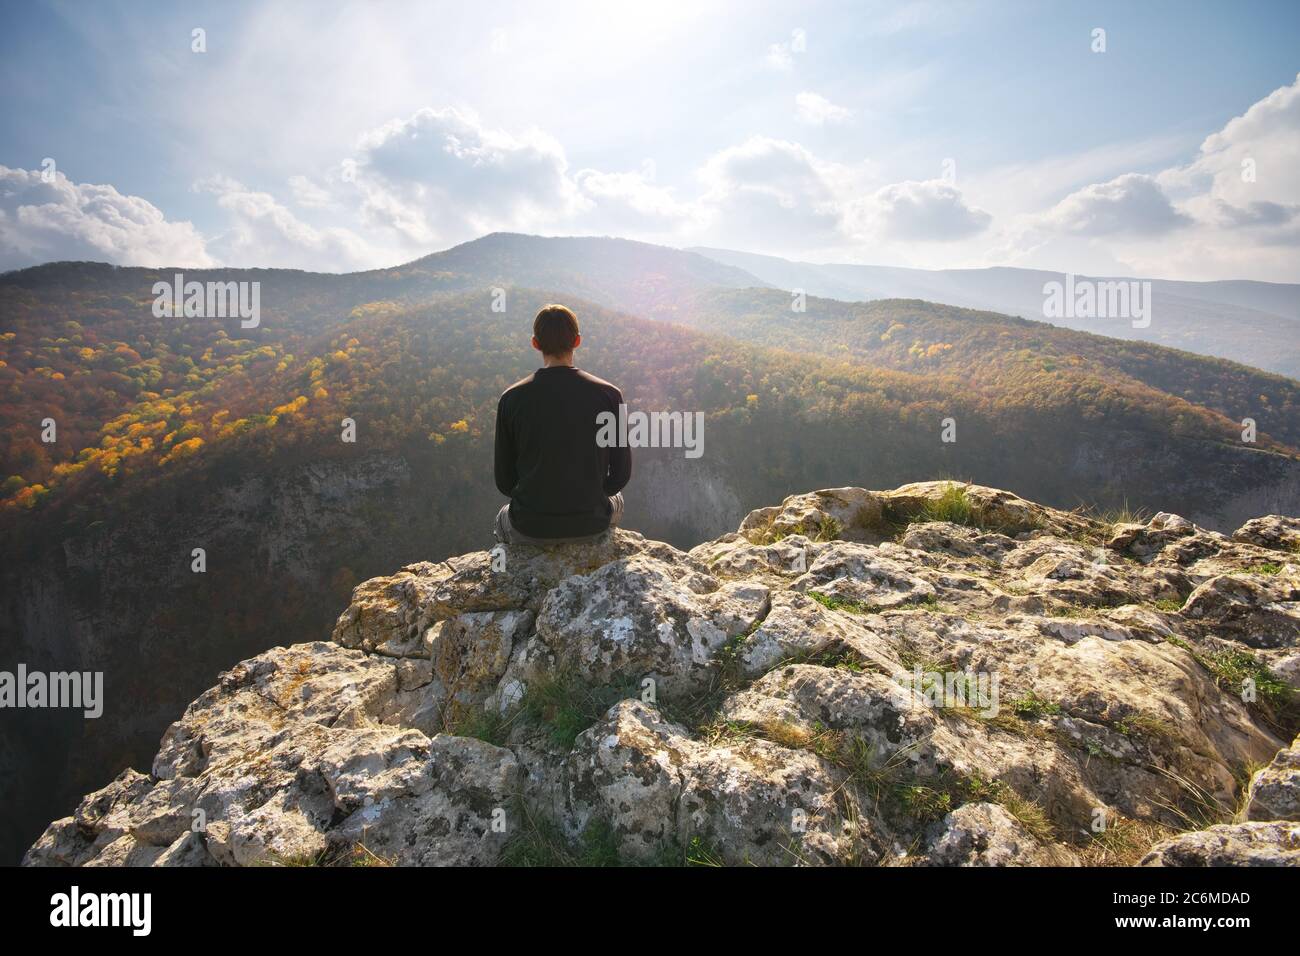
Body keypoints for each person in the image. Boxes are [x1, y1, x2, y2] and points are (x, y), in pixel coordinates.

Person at [493, 304, 630, 545]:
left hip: (529, 527)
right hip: (592, 523)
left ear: (535, 343)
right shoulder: (610, 395)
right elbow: (620, 476)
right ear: (577, 341)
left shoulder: (511, 399)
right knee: (617, 498)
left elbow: (504, 481)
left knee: (501, 518)